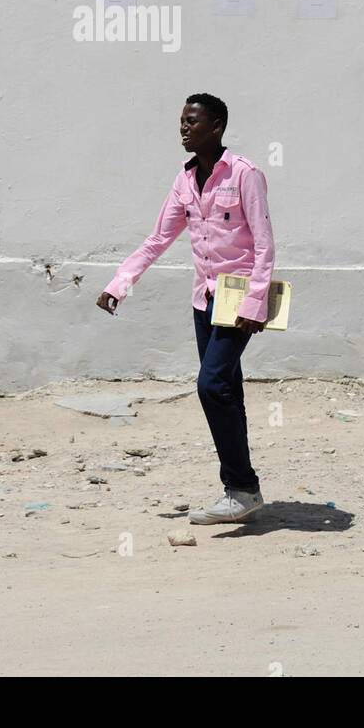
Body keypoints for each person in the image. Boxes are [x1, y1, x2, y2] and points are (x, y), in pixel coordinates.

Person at [94, 93, 275, 524]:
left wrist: (257, 301)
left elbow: (264, 243)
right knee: (227, 390)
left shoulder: (245, 174)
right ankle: (242, 492)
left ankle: (242, 486)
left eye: (192, 122)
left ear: (216, 127)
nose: (184, 128)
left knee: (211, 386)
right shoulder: (186, 179)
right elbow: (158, 239)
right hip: (204, 300)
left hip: (238, 300)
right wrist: (120, 283)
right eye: (182, 121)